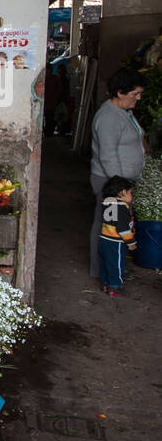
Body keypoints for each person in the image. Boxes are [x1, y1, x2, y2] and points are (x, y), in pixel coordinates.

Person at [89, 68, 147, 277]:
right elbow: (108, 155)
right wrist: (119, 188)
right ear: (121, 93)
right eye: (135, 94)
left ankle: (116, 268)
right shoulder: (109, 118)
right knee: (107, 229)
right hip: (111, 181)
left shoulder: (123, 112)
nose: (138, 98)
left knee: (118, 226)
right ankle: (104, 271)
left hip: (121, 182)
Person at [97, 176, 136, 296]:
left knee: (105, 263)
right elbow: (122, 228)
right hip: (116, 242)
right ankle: (114, 287)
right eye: (130, 193)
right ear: (121, 193)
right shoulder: (121, 208)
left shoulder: (107, 203)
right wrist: (131, 243)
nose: (131, 195)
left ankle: (105, 284)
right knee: (116, 265)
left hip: (103, 239)